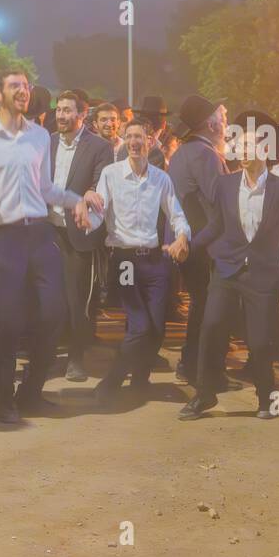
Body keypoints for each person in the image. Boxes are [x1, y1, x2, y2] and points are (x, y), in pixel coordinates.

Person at [0, 70, 89, 423]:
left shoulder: (40, 136)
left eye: (26, 86)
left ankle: (31, 393)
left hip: (40, 235)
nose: (24, 91)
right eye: (15, 86)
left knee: (54, 314)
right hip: (1, 238)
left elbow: (45, 188)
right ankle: (3, 398)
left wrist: (77, 201)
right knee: (8, 321)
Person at [179, 111, 279, 421]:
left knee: (261, 341)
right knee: (211, 327)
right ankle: (204, 394)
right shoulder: (225, 184)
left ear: (264, 149)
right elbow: (216, 225)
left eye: (251, 146)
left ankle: (266, 398)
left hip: (263, 274)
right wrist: (188, 245)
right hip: (227, 269)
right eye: (240, 146)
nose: (244, 151)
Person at [89, 116, 192, 406]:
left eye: (140, 137)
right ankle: (111, 382)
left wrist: (183, 237)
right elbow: (99, 212)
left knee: (156, 327)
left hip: (156, 262)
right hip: (124, 262)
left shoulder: (161, 178)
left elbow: (177, 214)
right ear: (124, 141)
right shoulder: (110, 174)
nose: (135, 142)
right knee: (139, 325)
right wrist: (87, 218)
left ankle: (140, 379)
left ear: (148, 142)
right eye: (130, 136)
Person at [50, 90, 115, 381]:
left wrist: (89, 193)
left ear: (81, 115)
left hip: (79, 232)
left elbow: (100, 182)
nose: (61, 115)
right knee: (52, 297)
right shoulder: (47, 142)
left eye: (67, 111)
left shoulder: (99, 146)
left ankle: (77, 358)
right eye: (59, 110)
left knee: (79, 300)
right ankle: (49, 357)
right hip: (48, 231)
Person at [168, 94, 229, 386]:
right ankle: (204, 372)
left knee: (201, 306)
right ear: (210, 123)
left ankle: (192, 365)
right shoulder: (205, 155)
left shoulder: (182, 152)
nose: (226, 120)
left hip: (191, 243)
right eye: (222, 115)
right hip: (204, 247)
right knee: (210, 310)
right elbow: (221, 203)